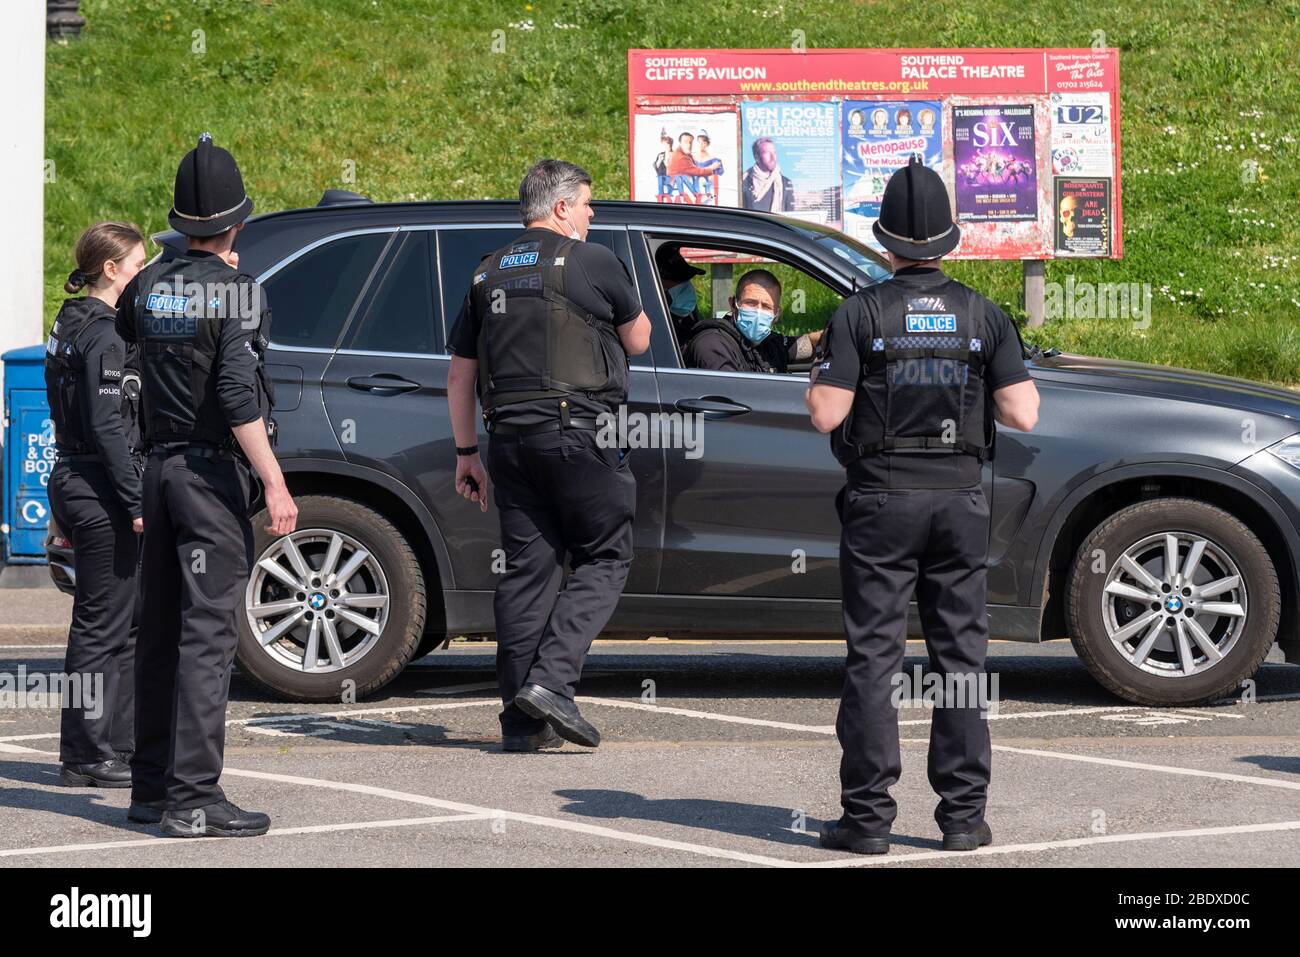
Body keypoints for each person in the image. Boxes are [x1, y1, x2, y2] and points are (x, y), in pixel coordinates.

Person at [805, 156, 1039, 855]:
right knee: (961, 658)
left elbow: (826, 415)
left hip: (881, 497)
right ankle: (963, 817)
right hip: (959, 499)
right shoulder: (982, 314)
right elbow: (1022, 411)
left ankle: (868, 820)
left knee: (874, 658)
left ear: (887, 244)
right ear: (950, 241)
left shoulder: (860, 313)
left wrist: (816, 375)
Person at [116, 133, 298, 837]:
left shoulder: (146, 285)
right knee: (207, 638)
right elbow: (235, 395)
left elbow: (126, 376)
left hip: (156, 474)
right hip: (207, 476)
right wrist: (275, 483)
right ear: (237, 223)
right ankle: (194, 796)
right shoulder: (240, 293)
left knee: (158, 631)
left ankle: (151, 788)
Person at [446, 159, 651, 751]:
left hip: (507, 442)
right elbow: (639, 340)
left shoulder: (487, 274)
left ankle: (520, 724)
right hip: (580, 435)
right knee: (607, 555)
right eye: (587, 203)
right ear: (560, 207)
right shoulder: (592, 260)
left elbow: (461, 376)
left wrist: (467, 454)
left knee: (527, 574)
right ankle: (553, 683)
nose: (592, 213)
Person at [46, 222, 147, 789]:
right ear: (110, 271)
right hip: (100, 485)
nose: (141, 276)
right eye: (135, 266)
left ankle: (117, 744)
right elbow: (110, 426)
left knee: (123, 621)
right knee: (102, 625)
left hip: (75, 473)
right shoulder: (106, 334)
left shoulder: (70, 319)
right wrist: (135, 498)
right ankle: (86, 753)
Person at [683, 269, 822, 374]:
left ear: (777, 314)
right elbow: (730, 401)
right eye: (750, 303)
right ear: (733, 304)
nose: (758, 312)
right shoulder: (713, 344)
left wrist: (837, 334)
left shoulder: (768, 344)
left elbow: (808, 343)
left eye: (766, 306)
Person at [655, 244, 705, 346]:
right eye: (679, 282)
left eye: (686, 281)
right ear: (658, 285)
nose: (687, 288)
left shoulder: (689, 322)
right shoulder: (657, 332)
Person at [742, 137, 795, 212]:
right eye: (767, 153)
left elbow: (790, 215)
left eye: (774, 152)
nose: (773, 157)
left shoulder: (785, 183)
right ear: (756, 157)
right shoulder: (744, 181)